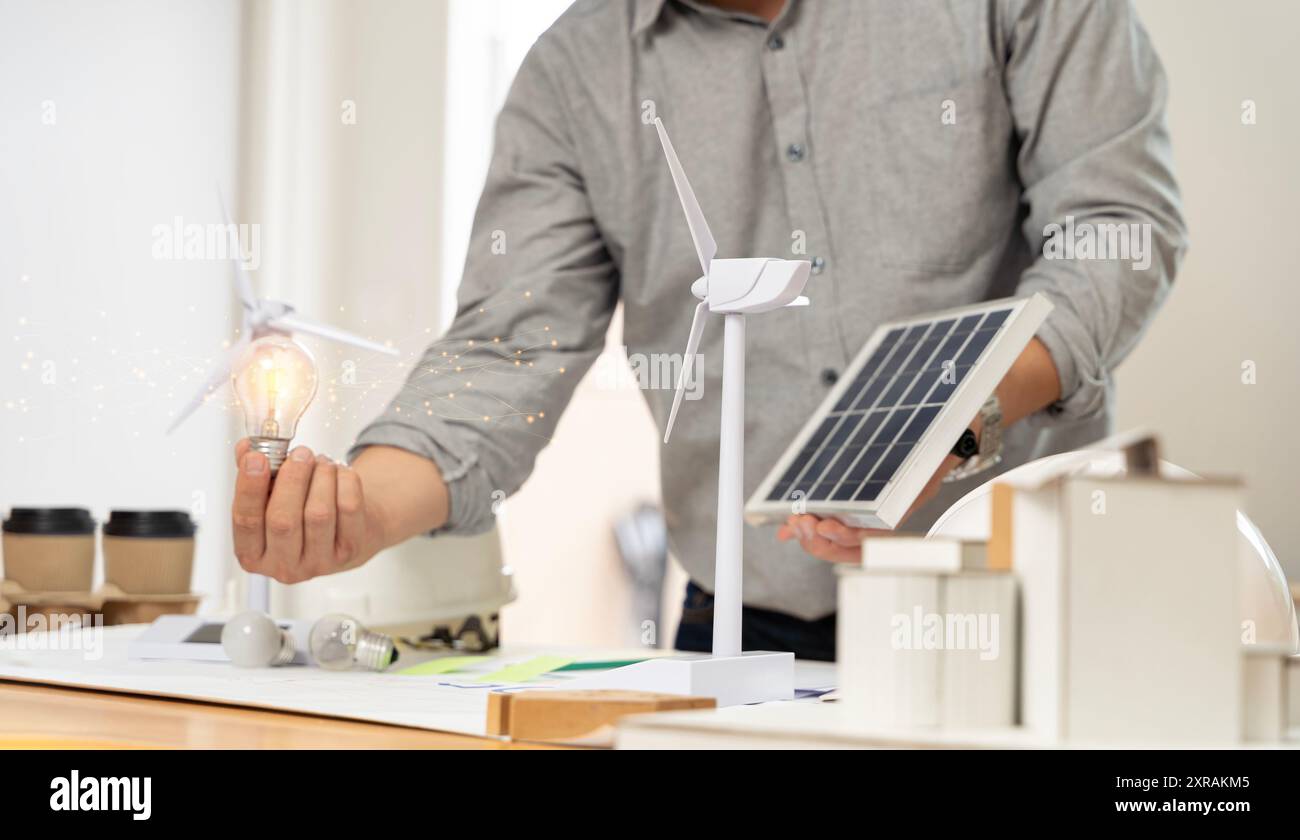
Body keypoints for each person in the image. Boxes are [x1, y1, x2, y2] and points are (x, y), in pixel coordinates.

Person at [230, 0, 1186, 661]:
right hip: (746, 629)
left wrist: (952, 419)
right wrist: (354, 515)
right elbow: (502, 353)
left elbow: (1117, 232)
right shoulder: (576, 75)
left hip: (1026, 607)